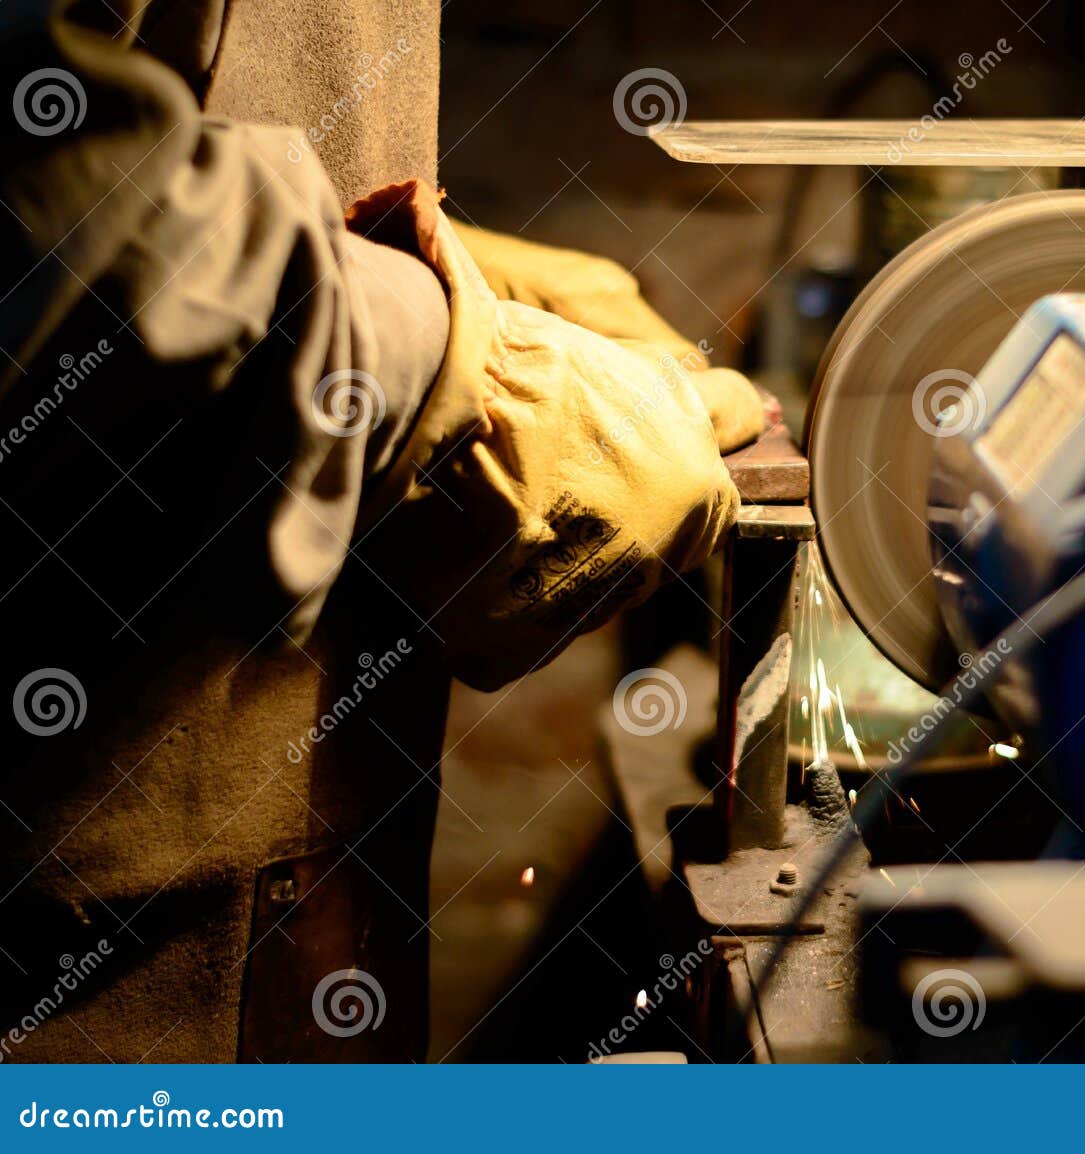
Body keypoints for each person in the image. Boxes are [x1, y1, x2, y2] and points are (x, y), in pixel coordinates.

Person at [0, 0, 762, 1061]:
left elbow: (159, 112)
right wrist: (463, 372)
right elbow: (54, 221)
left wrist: (442, 275)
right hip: (85, 986)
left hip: (288, 900)